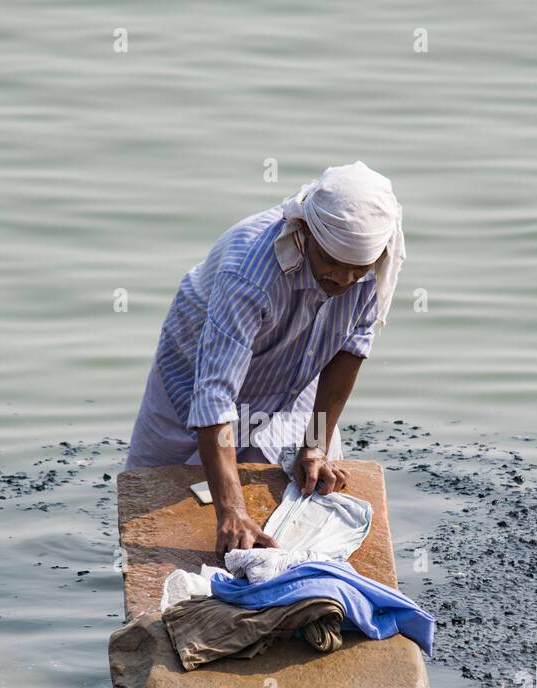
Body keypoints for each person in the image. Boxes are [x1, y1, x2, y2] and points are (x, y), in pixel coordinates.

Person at [124, 161, 406, 558]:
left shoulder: (374, 259)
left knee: (300, 503)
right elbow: (215, 396)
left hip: (292, 380)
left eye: (355, 270)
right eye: (332, 263)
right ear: (306, 234)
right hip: (192, 379)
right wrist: (231, 511)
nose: (343, 279)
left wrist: (314, 446)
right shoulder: (248, 272)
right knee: (150, 505)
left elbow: (350, 349)